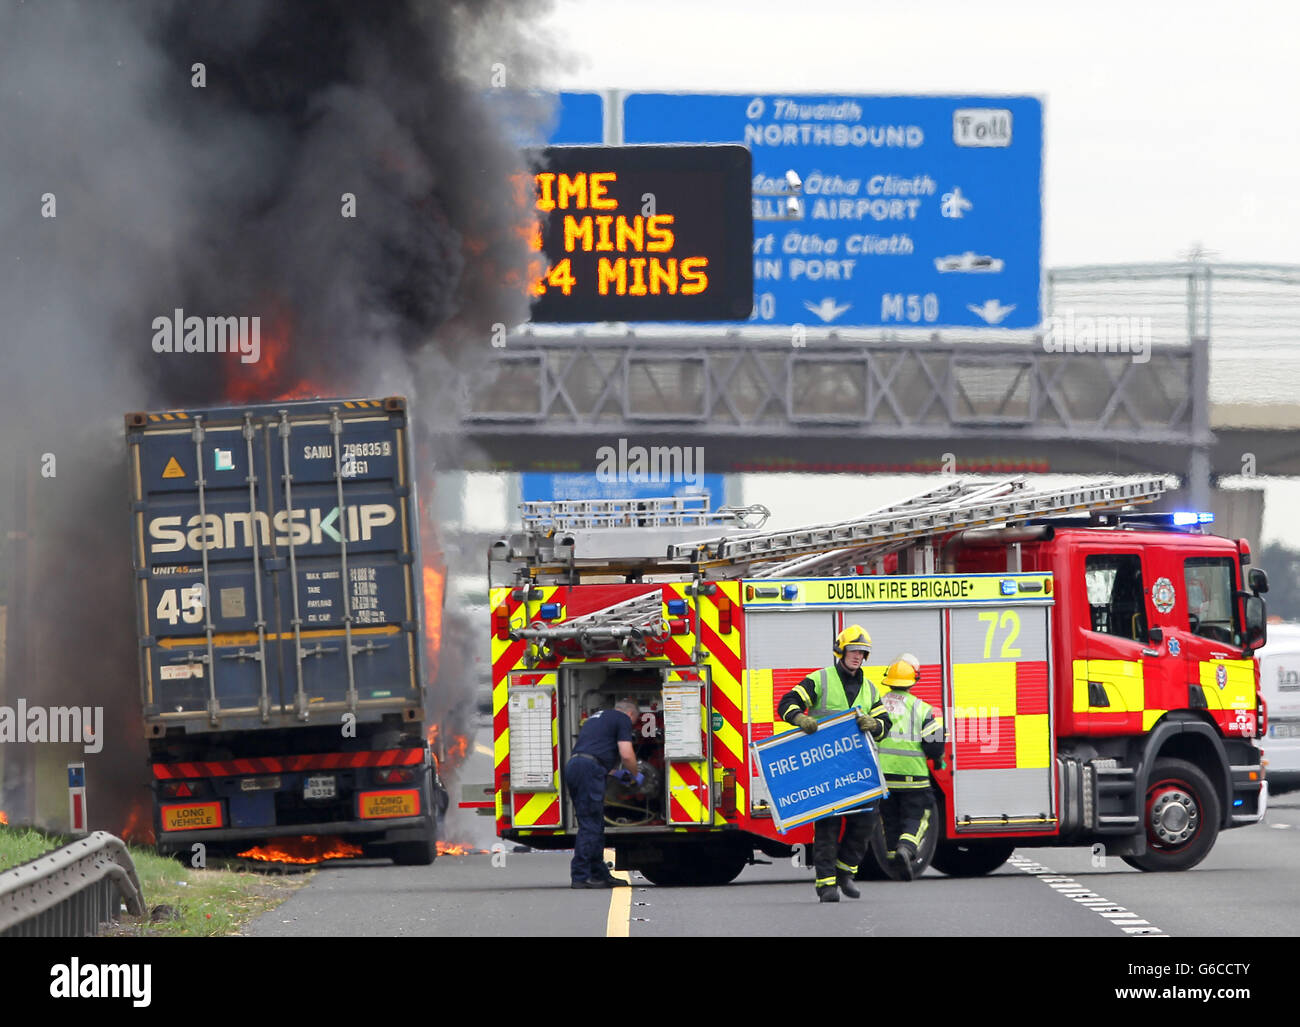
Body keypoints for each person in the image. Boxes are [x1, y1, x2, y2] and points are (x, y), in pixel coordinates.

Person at [777, 624, 892, 903]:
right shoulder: (821, 679)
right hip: (826, 768)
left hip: (859, 768)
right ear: (841, 651)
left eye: (862, 653)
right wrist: (800, 719)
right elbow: (787, 702)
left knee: (865, 821)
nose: (857, 656)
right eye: (853, 650)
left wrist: (874, 723)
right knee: (827, 827)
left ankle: (845, 873)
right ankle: (826, 885)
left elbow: (886, 725)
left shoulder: (870, 687)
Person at [876, 654, 945, 881]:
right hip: (914, 777)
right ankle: (906, 849)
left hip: (883, 778)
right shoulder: (921, 709)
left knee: (890, 820)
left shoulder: (875, 706)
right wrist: (937, 758)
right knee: (919, 815)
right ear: (913, 681)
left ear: (889, 680)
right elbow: (934, 747)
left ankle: (894, 858)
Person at [565, 698, 642, 889]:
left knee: (595, 822)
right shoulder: (622, 719)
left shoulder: (595, 719)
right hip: (589, 769)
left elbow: (594, 752)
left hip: (576, 766)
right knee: (591, 823)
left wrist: (617, 774)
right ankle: (581, 876)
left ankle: (599, 874)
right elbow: (626, 754)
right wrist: (635, 775)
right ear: (631, 714)